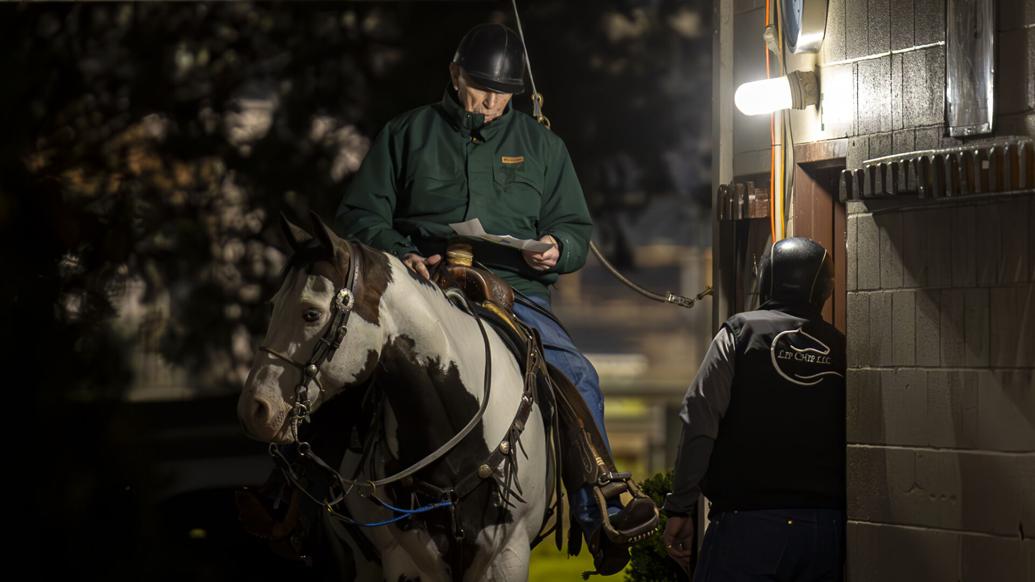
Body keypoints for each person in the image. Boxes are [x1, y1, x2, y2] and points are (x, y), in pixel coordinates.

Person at [336, 22, 652, 573]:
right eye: (482, 88)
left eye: (502, 93)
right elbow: (360, 214)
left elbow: (574, 228)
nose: (490, 102)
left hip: (514, 293)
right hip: (423, 285)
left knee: (577, 373)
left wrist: (558, 248)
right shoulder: (406, 134)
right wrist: (401, 253)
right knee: (344, 359)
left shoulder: (543, 146)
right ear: (456, 75)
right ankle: (300, 499)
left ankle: (600, 507)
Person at [662, 237, 846, 581]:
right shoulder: (841, 347)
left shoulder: (740, 333)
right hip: (826, 530)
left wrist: (680, 506)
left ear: (766, 278)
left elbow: (699, 422)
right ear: (825, 289)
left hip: (748, 526)